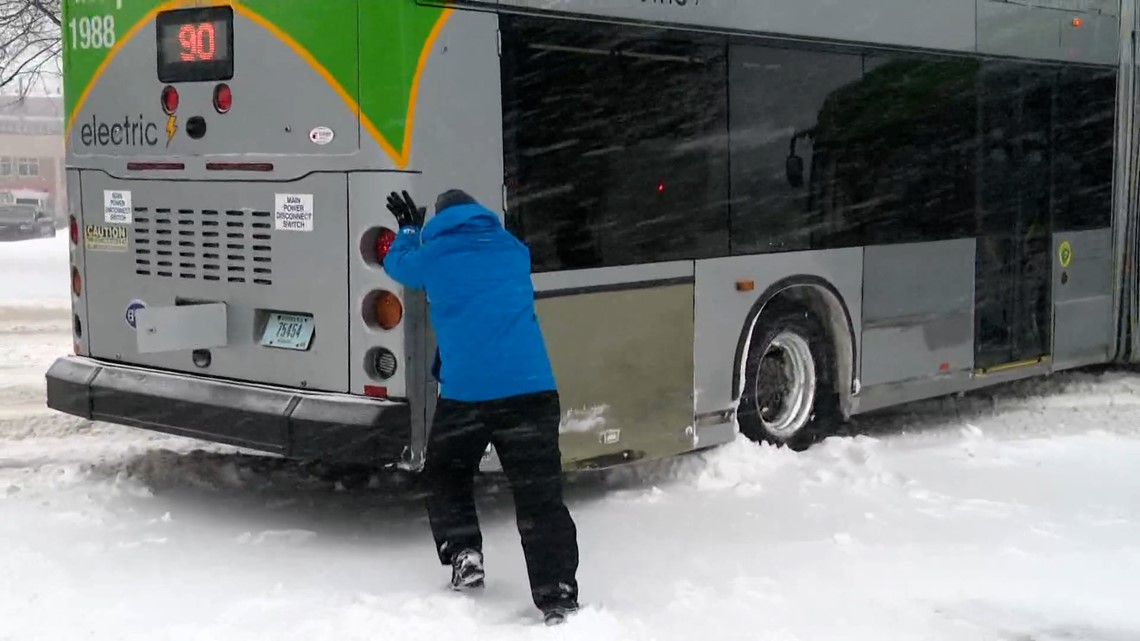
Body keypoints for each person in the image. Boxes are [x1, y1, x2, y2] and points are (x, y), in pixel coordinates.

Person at [383, 189, 581, 625]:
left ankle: (464, 553)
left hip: (468, 396)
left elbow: (397, 265)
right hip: (531, 391)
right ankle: (558, 595)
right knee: (540, 496)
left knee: (446, 474)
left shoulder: (433, 256)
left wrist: (409, 230)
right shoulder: (514, 251)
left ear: (441, 220)